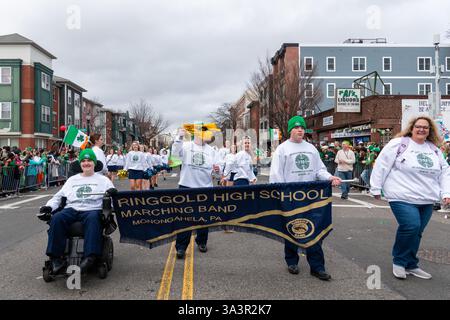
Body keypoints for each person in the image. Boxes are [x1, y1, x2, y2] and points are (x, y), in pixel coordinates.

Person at [370, 116, 450, 280]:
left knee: (417, 232)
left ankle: (411, 264)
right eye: (418, 126)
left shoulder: (433, 149)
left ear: (430, 131)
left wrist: (446, 193)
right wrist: (375, 187)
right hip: (401, 196)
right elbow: (381, 164)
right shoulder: (399, 144)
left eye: (426, 127)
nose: (422, 130)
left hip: (426, 198)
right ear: (412, 128)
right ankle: (399, 261)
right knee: (411, 226)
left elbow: (444, 172)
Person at [269, 116, 341, 281]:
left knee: (313, 230)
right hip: (291, 196)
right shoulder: (282, 149)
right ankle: (292, 260)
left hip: (311, 196)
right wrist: (280, 195)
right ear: (290, 130)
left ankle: (317, 267)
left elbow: (319, 170)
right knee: (292, 229)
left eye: (302, 127)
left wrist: (330, 178)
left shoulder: (311, 148)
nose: (300, 130)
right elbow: (276, 175)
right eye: (296, 127)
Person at [37, 149, 115, 274]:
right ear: (80, 164)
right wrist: (49, 207)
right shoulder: (72, 180)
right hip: (72, 209)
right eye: (83, 161)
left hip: (92, 209)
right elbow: (58, 197)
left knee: (93, 219)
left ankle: (90, 257)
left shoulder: (104, 180)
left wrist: (112, 195)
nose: (86, 163)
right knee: (57, 218)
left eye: (89, 160)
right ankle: (56, 259)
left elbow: (112, 199)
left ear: (94, 163)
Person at [171, 124, 222, 259]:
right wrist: (179, 137)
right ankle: (181, 247)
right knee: (184, 219)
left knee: (203, 218)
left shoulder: (212, 151)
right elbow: (174, 157)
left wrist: (217, 171)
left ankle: (202, 241)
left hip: (205, 188)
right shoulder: (186, 146)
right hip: (187, 186)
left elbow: (218, 174)